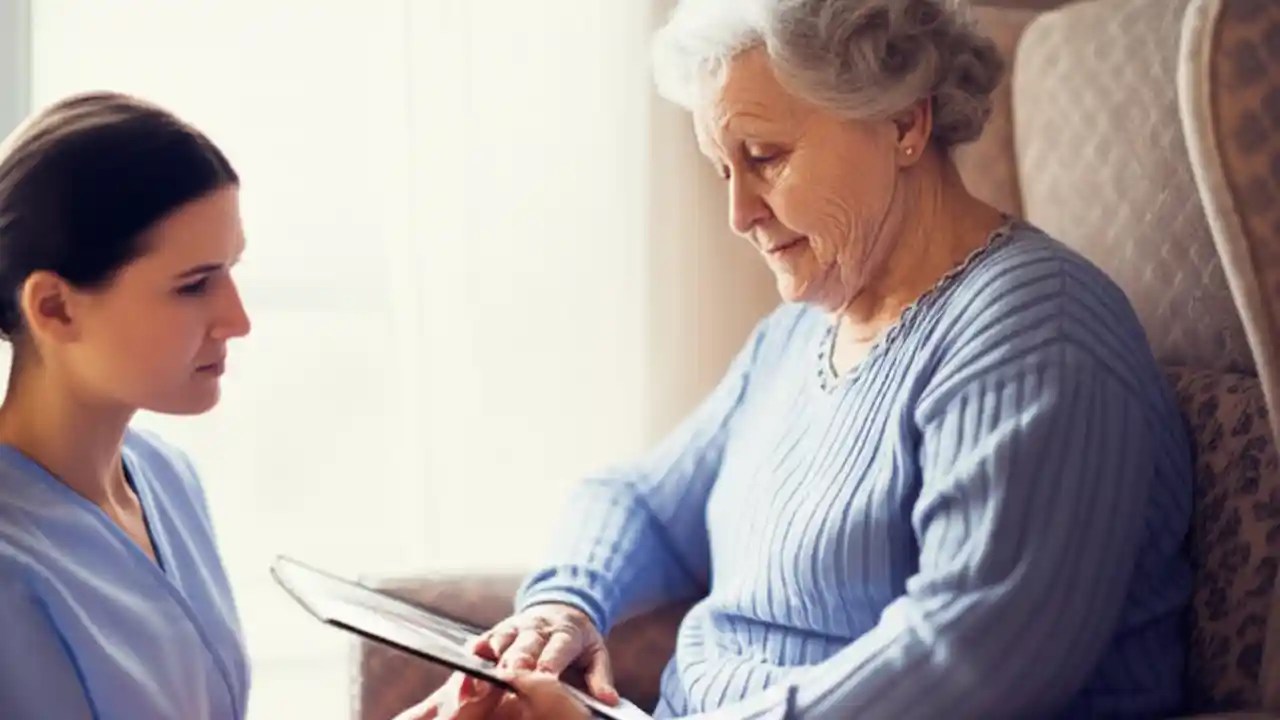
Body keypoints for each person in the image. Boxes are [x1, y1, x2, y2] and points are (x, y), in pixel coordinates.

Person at [401, 0, 1194, 718]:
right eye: (723, 168)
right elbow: (640, 501)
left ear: (903, 124)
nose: (739, 214)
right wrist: (565, 606)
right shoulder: (800, 335)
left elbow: (968, 662)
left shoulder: (1033, 336)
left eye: (767, 156)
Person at [0, 92, 252, 719]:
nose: (238, 320)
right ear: (55, 308)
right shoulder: (9, 570)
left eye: (231, 271)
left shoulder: (167, 479)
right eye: (194, 285)